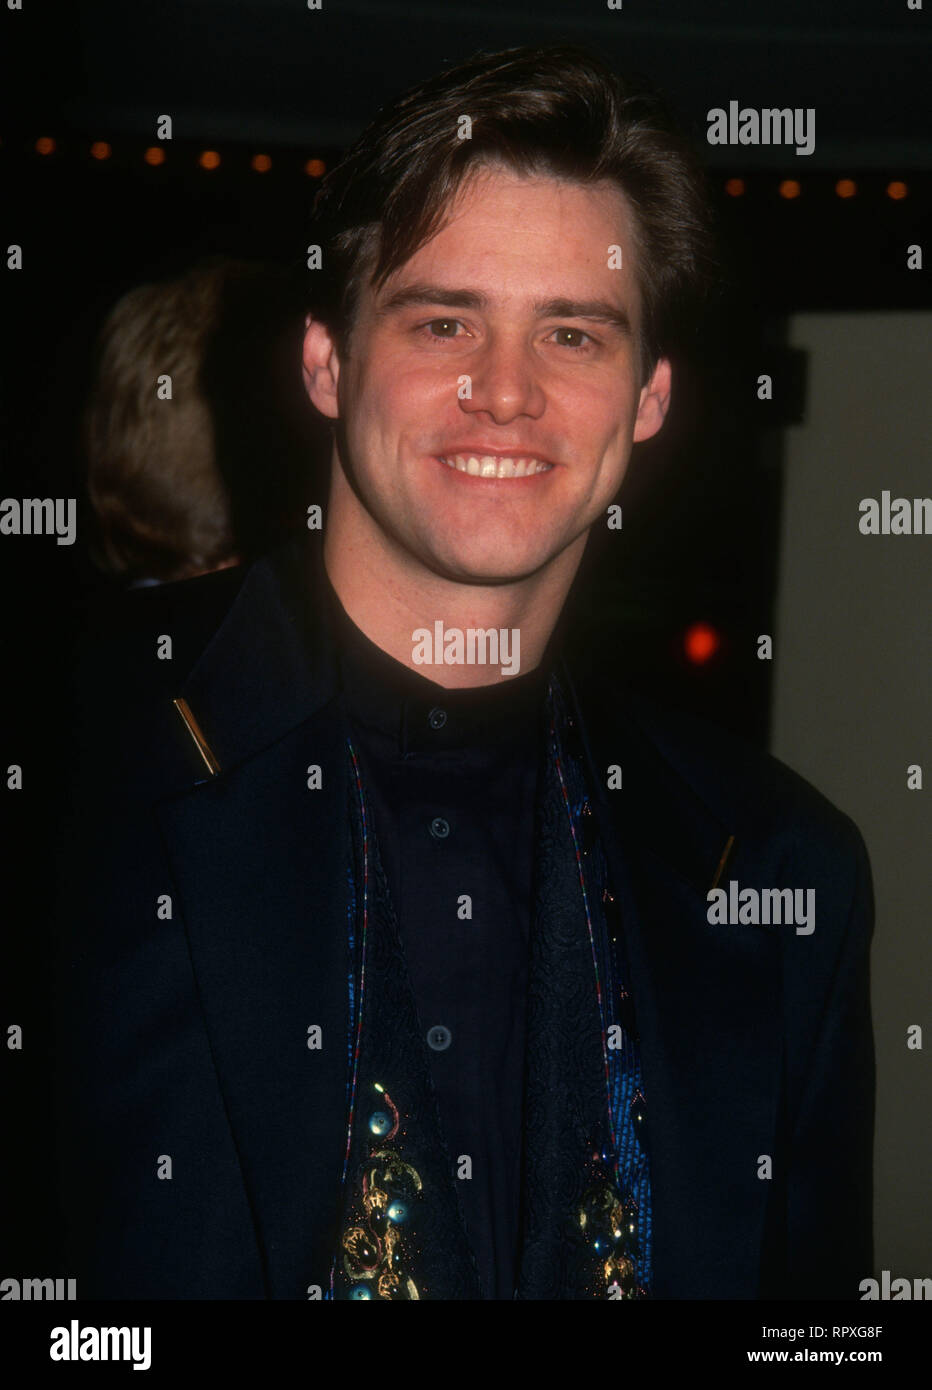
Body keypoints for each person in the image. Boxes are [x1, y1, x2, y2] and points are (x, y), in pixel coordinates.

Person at [51, 43, 873, 1301]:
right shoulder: (72, 766)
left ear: (646, 400)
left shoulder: (778, 866)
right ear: (326, 361)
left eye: (572, 334)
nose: (505, 392)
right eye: (444, 322)